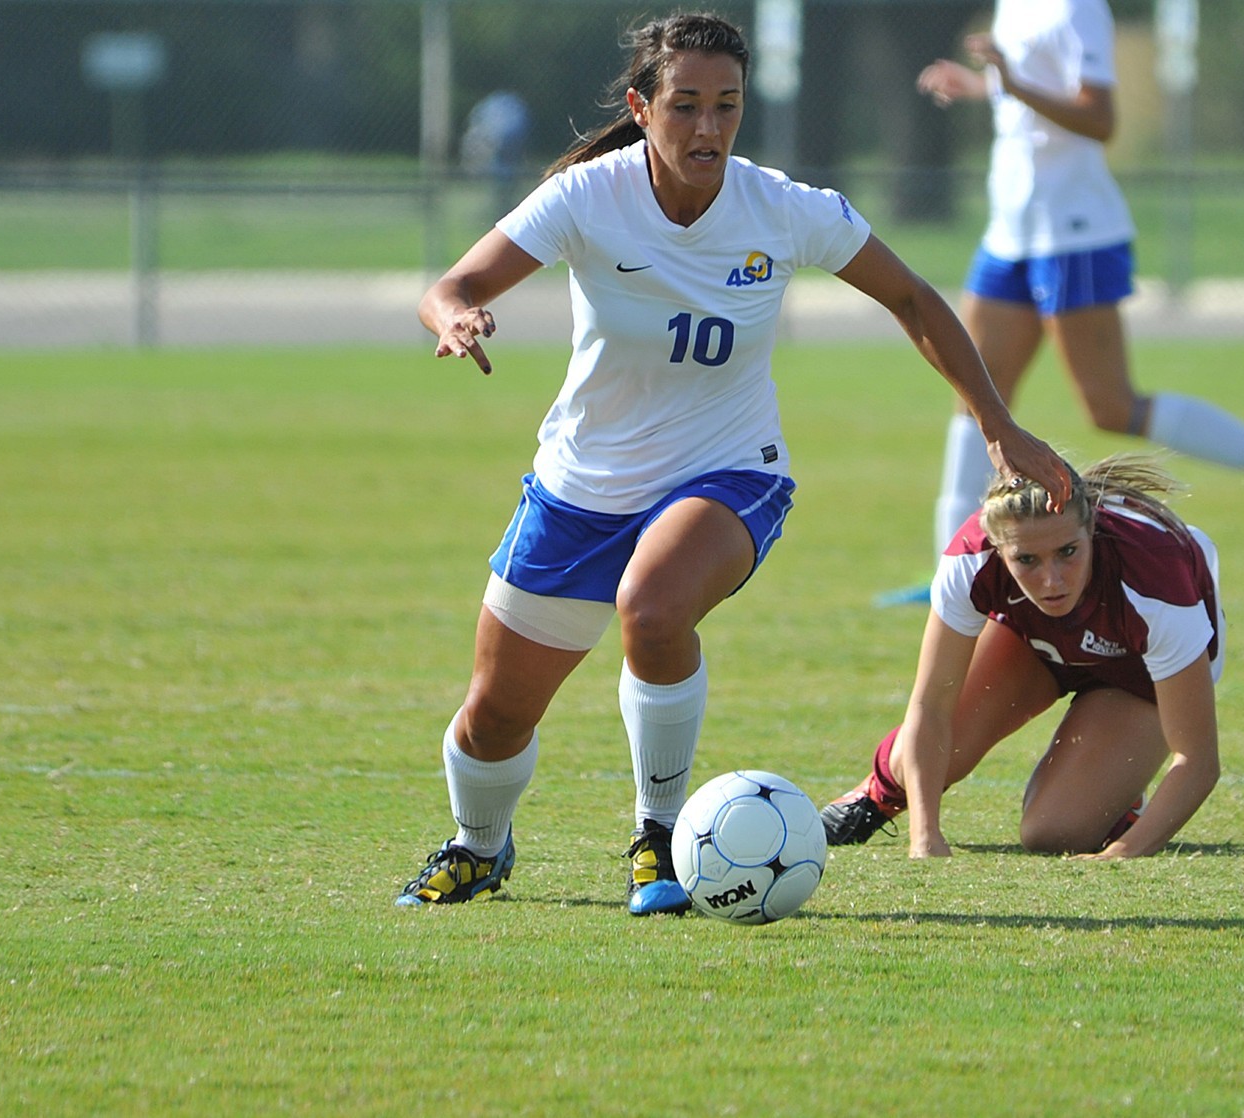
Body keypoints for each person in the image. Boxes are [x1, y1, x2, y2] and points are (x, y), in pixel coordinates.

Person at [396, 12, 1071, 914]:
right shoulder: (586, 198)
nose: (708, 128)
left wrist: (998, 425)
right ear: (642, 108)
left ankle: (657, 838)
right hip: (582, 483)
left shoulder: (784, 209)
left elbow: (911, 296)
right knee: (494, 717)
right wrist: (456, 318)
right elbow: (453, 285)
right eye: (685, 106)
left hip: (728, 470)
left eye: (727, 106)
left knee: (654, 603)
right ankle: (479, 849)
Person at [878, 0, 1244, 607]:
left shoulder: (1079, 8)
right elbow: (1036, 93)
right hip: (1014, 226)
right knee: (977, 395)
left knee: (1111, 405)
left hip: (1075, 231)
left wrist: (1012, 83)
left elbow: (1098, 118)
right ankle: (950, 576)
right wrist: (988, 88)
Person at [823, 455, 1223, 860]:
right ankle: (877, 794)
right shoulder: (970, 560)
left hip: (1138, 673)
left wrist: (1121, 854)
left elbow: (1198, 759)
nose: (1052, 580)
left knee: (1053, 832)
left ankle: (1118, 802)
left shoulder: (1155, 578)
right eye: (1026, 560)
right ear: (998, 549)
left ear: (1093, 529)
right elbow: (931, 707)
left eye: (1068, 552)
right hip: (1036, 640)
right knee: (932, 754)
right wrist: (924, 838)